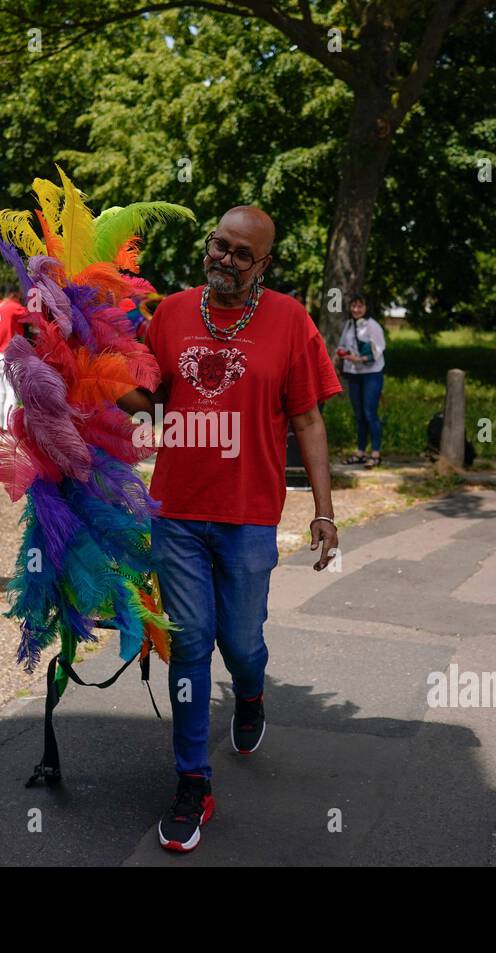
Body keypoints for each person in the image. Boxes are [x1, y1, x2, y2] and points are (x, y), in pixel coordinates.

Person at [117, 206, 342, 854]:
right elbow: (152, 407)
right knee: (189, 646)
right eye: (221, 245)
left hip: (247, 517)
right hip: (178, 513)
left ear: (263, 264)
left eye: (243, 253)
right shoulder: (172, 314)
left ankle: (250, 693)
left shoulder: (290, 322)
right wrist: (95, 374)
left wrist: (322, 511)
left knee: (241, 644)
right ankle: (193, 782)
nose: (227, 259)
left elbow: (308, 422)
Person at [336, 293, 386, 468]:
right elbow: (341, 345)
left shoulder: (373, 326)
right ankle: (360, 451)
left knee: (370, 413)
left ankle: (376, 452)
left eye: (360, 306)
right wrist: (344, 354)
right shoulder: (349, 325)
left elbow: (378, 349)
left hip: (371, 373)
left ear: (366, 307)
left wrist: (361, 359)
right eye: (353, 306)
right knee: (358, 415)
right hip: (353, 373)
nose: (356, 310)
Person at [0, 291, 27, 427]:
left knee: (0, 392)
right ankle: (9, 430)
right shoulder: (12, 306)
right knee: (12, 393)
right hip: (8, 355)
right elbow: (31, 315)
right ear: (13, 295)